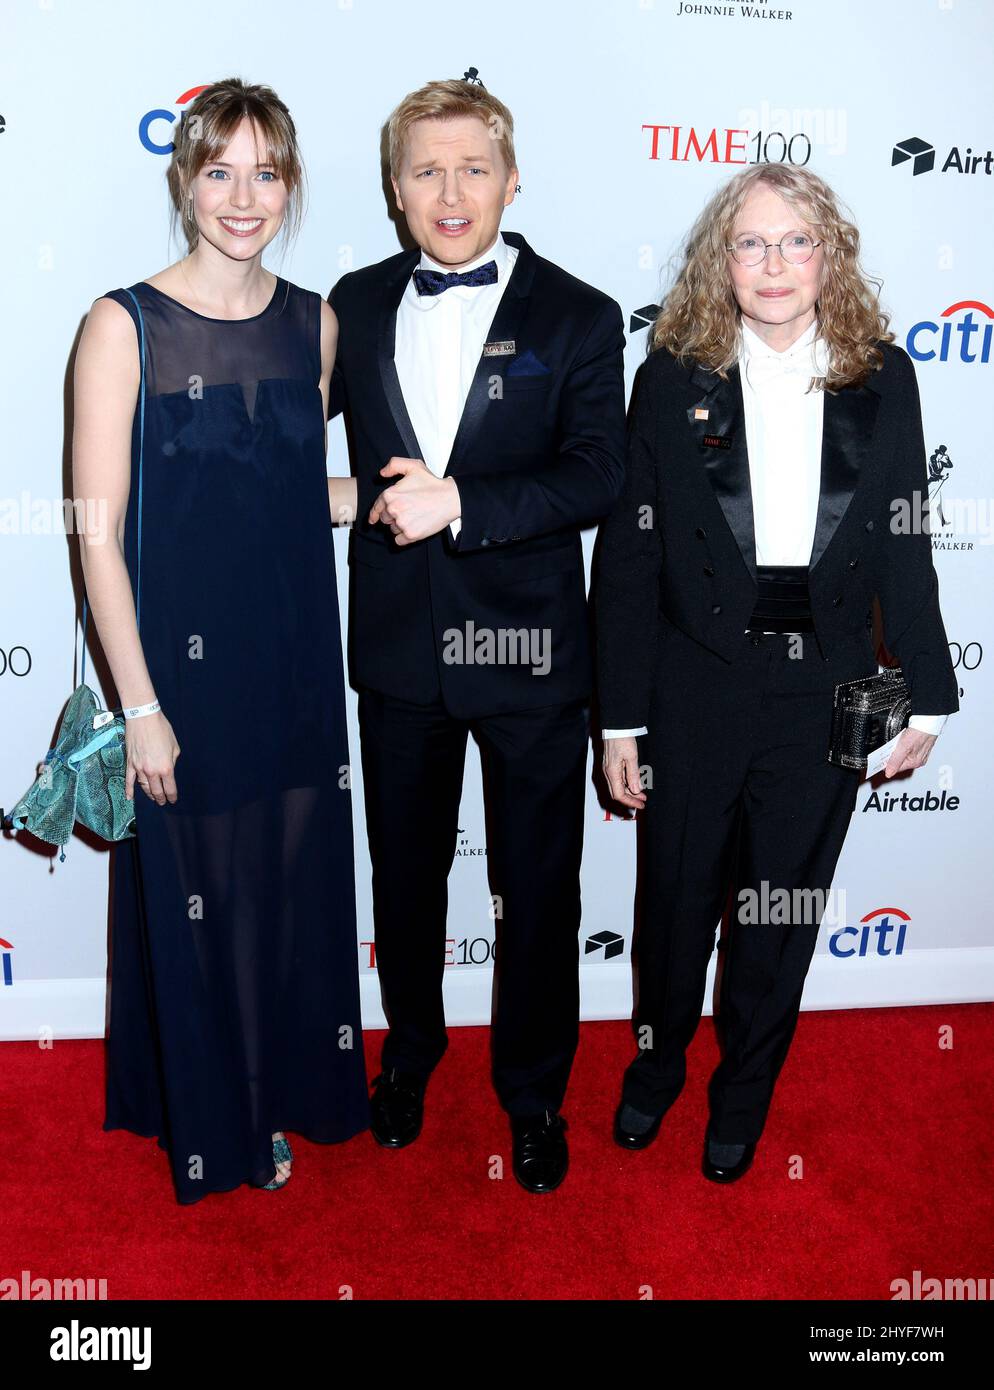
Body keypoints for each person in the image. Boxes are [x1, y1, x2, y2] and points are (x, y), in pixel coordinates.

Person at [595, 163, 958, 1183]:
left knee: (776, 910)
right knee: (671, 907)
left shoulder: (883, 372)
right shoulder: (672, 374)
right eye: (749, 243)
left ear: (828, 255)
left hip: (824, 694)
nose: (772, 264)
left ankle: (741, 1094)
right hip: (692, 684)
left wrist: (928, 692)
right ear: (722, 260)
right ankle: (656, 1071)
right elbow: (627, 555)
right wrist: (618, 719)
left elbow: (902, 541)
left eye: (794, 241)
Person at [327, 78, 626, 1192]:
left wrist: (462, 503)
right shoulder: (349, 306)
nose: (449, 193)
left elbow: (597, 473)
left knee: (540, 889)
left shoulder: (580, 314)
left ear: (511, 176)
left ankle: (535, 1094)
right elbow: (265, 413)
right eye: (424, 170)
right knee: (403, 880)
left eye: (471, 168)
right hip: (400, 652)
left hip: (534, 655)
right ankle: (406, 1059)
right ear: (396, 188)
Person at [73, 78, 368, 1202]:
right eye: (219, 169)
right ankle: (215, 1117)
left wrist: (359, 497)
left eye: (266, 171)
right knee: (198, 881)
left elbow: (285, 482)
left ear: (290, 182)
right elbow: (97, 538)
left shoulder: (316, 320)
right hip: (178, 667)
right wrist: (140, 703)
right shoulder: (122, 324)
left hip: (295, 653)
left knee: (281, 887)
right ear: (184, 177)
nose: (244, 197)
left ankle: (274, 1092)